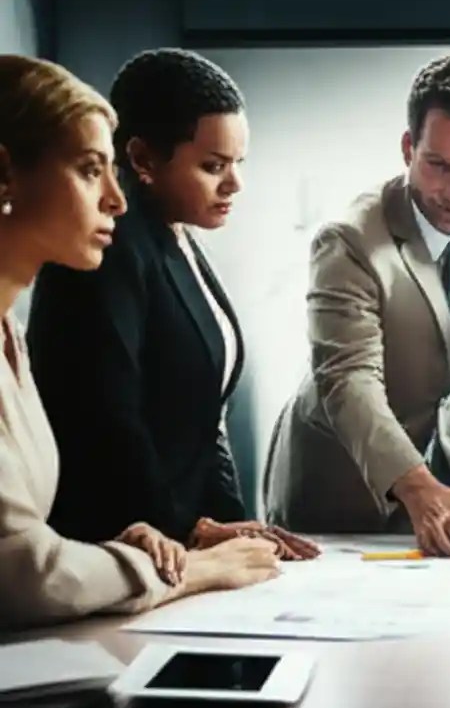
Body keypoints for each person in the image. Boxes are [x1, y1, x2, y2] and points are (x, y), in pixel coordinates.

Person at [0, 54, 278, 630]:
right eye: (87, 169)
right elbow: (26, 567)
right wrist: (194, 560)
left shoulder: (11, 337)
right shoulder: (117, 253)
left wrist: (206, 529)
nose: (116, 199)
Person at [264, 53, 450, 557]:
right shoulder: (349, 241)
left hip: (446, 485)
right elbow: (348, 381)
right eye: (438, 166)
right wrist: (417, 485)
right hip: (340, 486)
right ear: (409, 147)